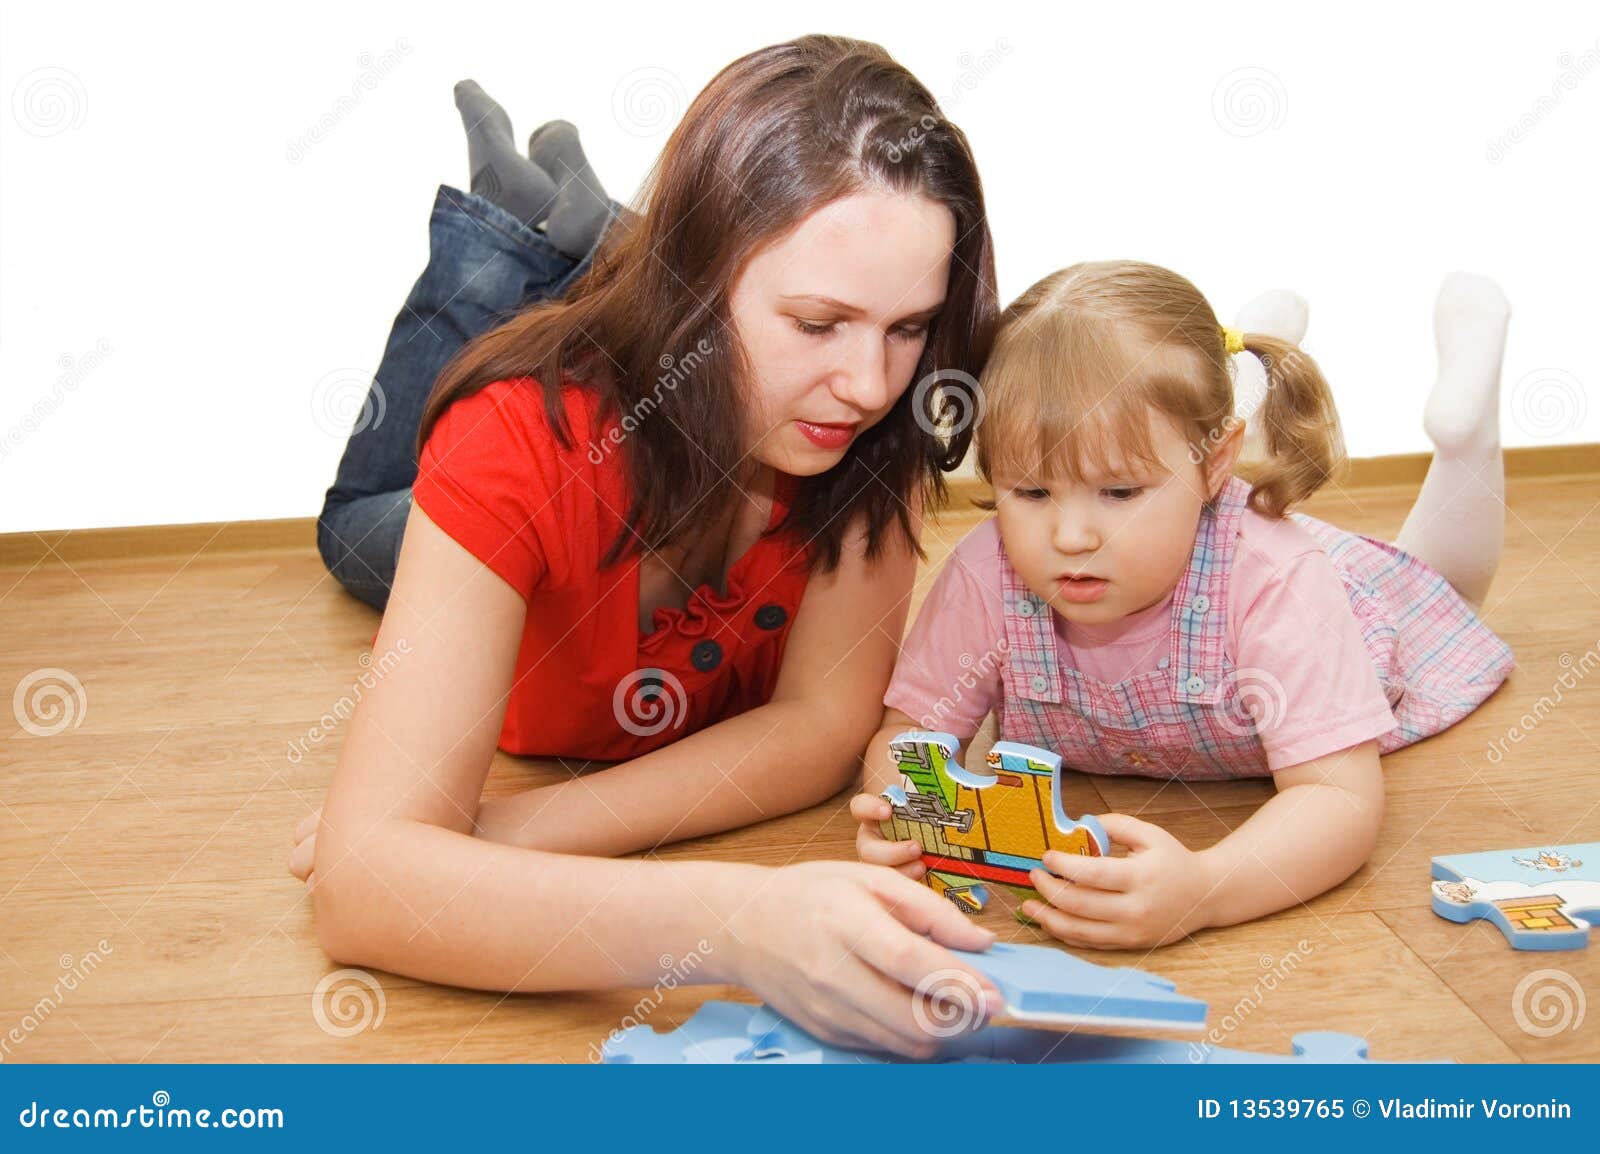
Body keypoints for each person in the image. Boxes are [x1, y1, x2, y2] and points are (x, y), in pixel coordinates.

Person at [292, 36, 1013, 1059]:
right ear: (699, 285)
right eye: (818, 322)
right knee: (354, 527)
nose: (868, 383)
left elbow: (820, 725)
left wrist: (498, 840)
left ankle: (602, 238)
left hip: (654, 358)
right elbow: (358, 896)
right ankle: (513, 243)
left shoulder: (869, 433)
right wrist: (740, 923)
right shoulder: (511, 442)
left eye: (909, 327)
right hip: (485, 460)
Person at [852, 262, 1515, 950]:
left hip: (1353, 604)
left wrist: (1205, 889)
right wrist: (912, 817)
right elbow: (911, 735)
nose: (1071, 538)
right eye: (1032, 492)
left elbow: (1340, 799)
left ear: (1215, 461)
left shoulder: (1280, 581)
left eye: (1119, 492)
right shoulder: (987, 570)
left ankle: (1466, 439)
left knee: (1449, 585)